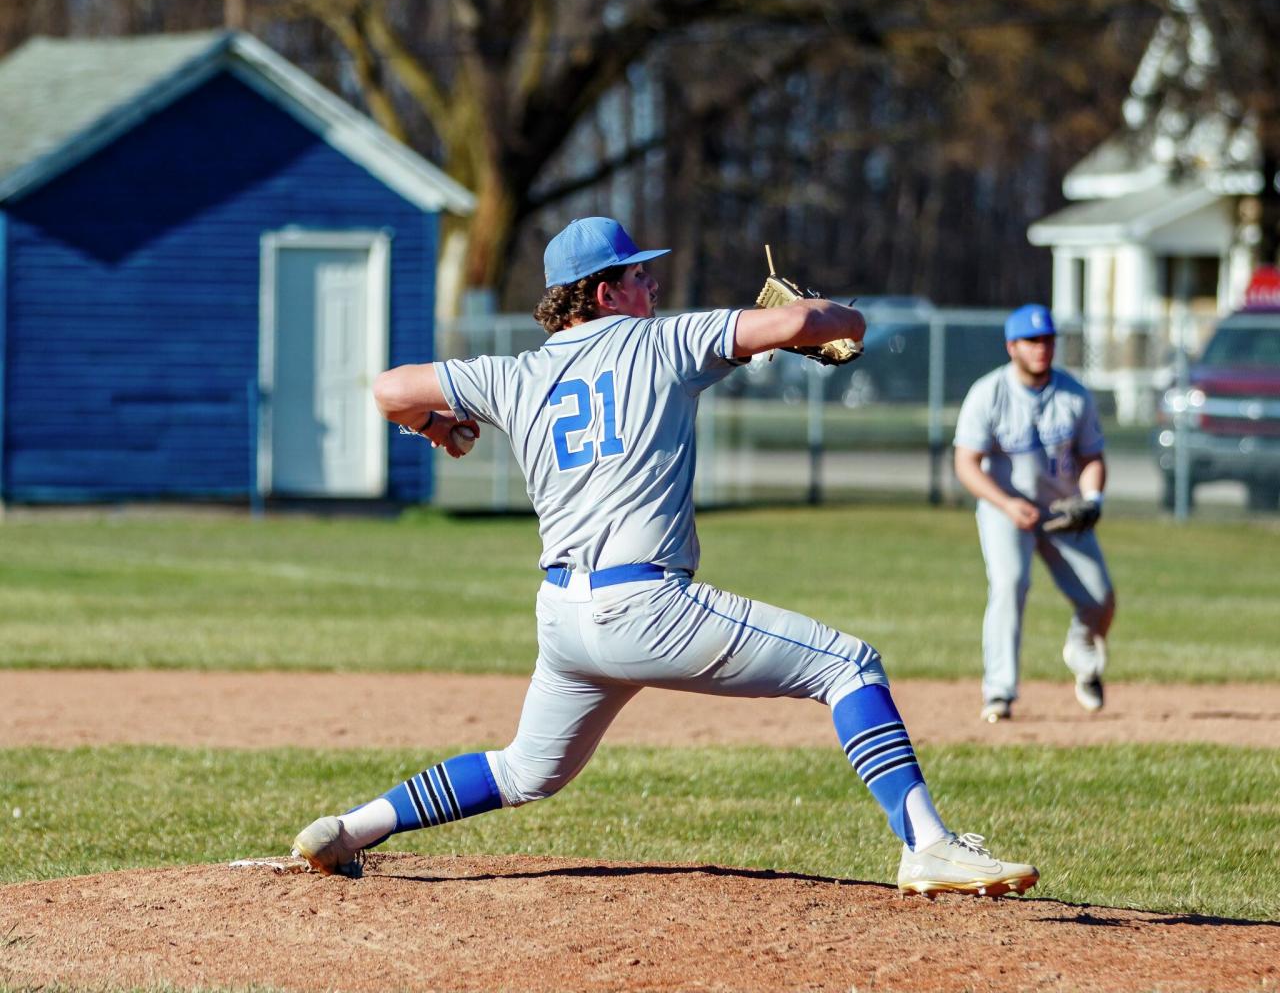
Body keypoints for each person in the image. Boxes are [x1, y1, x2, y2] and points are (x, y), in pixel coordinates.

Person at [291, 216, 1038, 899]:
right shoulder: (662, 342)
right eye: (639, 275)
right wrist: (848, 317)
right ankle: (929, 845)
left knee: (526, 770)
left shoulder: (513, 375)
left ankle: (352, 828)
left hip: (564, 619)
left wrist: (435, 426)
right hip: (646, 607)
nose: (652, 286)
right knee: (849, 665)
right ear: (604, 292)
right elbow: (801, 322)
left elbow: (389, 389)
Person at [953, 304, 1116, 723]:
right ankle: (999, 692)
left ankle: (1083, 654)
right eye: (1031, 340)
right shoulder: (989, 393)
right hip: (1006, 508)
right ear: (1012, 346)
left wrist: (1092, 499)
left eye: (1047, 340)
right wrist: (1006, 503)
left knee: (1100, 600)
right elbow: (966, 464)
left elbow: (1092, 457)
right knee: (1010, 584)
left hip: (1062, 510)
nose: (1041, 347)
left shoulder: (1074, 395)